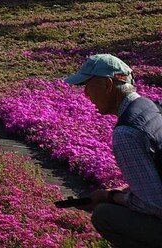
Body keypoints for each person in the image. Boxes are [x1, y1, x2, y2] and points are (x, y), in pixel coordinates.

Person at [63, 54, 162, 246]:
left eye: (87, 85)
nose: (85, 94)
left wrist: (109, 197)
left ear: (108, 85)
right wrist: (119, 191)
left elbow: (155, 205)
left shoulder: (128, 132)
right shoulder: (153, 108)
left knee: (104, 215)